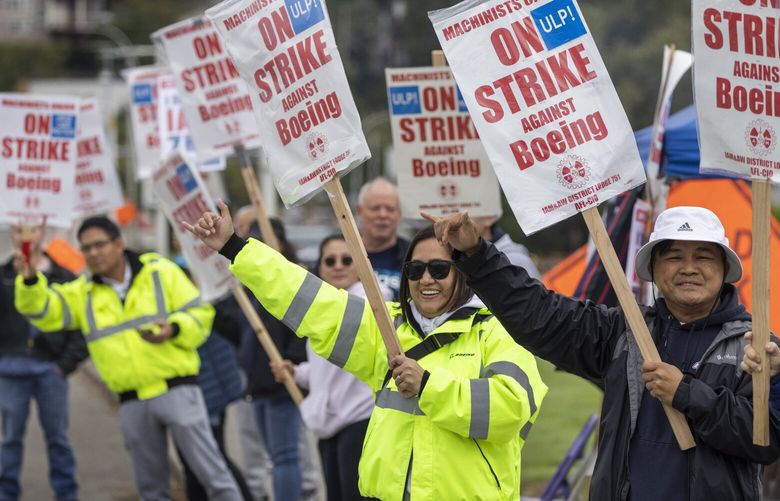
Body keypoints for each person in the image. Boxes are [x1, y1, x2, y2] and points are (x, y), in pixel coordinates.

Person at [184, 201, 546, 500]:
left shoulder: (497, 331)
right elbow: (307, 297)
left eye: (439, 268)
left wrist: (428, 386)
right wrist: (235, 247)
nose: (426, 279)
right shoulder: (386, 329)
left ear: (463, 273)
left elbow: (508, 409)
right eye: (415, 269)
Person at [424, 207, 780, 500]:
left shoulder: (754, 345)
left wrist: (686, 394)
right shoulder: (622, 333)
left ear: (724, 271)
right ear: (653, 269)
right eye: (674, 257)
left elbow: (767, 441)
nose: (688, 267)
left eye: (703, 256)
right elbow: (539, 313)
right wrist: (477, 254)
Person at [13, 216, 241, 501]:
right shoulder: (83, 293)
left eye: (99, 245)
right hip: (131, 402)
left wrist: (174, 329)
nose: (93, 253)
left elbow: (201, 314)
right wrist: (31, 280)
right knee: (152, 490)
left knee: (215, 478)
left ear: (119, 243)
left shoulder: (160, 271)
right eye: (86, 248)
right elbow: (44, 312)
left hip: (178, 390)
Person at [270, 235, 388, 501]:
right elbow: (328, 369)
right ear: (320, 267)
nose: (338, 266)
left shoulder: (372, 306)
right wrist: (297, 373)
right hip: (330, 425)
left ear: (359, 265)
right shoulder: (325, 306)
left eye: (347, 259)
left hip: (360, 421)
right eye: (329, 260)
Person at [0, 224, 87, 501]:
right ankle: (6, 491)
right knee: (10, 439)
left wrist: (65, 364)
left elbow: (81, 323)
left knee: (58, 438)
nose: (25, 237)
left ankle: (66, 492)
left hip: (51, 369)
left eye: (32, 229)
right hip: (11, 369)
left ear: (44, 232)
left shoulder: (64, 276)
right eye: (17, 231)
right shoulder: (3, 276)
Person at [239, 220, 309, 501]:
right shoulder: (250, 283)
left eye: (266, 240)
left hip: (283, 382)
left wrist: (291, 363)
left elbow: (303, 332)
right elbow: (240, 330)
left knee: (285, 457)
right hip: (259, 383)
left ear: (280, 242)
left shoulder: (294, 280)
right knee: (274, 456)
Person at [356, 177, 409, 298]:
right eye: (375, 208)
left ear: (399, 214)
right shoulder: (340, 257)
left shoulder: (415, 256)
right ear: (359, 211)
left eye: (390, 209)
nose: (382, 215)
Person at [472, 216, 541, 279]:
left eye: (466, 210)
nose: (461, 218)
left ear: (488, 218)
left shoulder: (515, 261)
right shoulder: (467, 262)